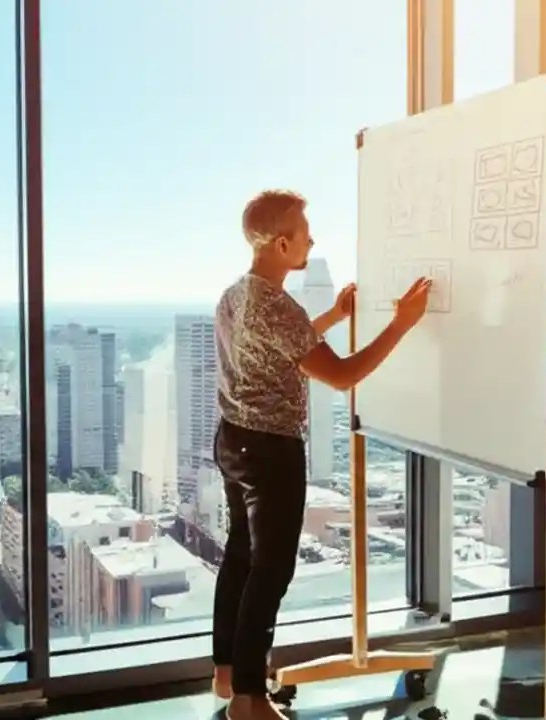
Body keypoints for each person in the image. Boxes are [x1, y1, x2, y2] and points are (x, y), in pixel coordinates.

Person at [211, 189, 432, 720]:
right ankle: (249, 701)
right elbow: (342, 374)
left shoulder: (236, 295)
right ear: (283, 242)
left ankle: (227, 675)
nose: (313, 239)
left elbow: (278, 346)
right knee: (272, 571)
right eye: (306, 232)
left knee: (241, 557)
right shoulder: (279, 306)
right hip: (271, 453)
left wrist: (332, 315)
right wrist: (401, 323)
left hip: (233, 440)